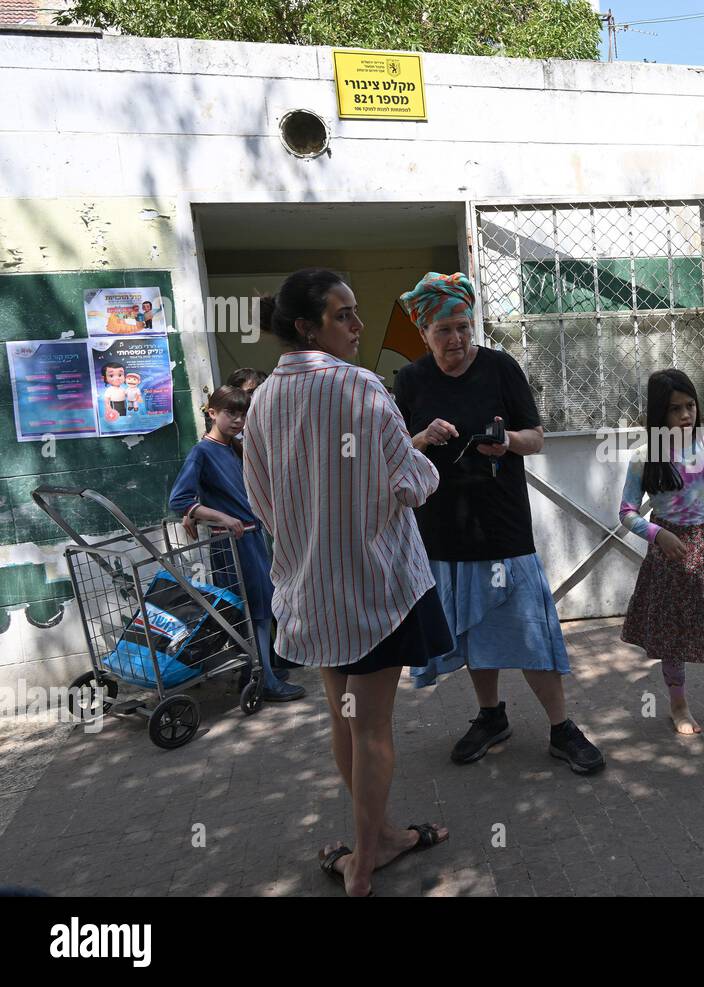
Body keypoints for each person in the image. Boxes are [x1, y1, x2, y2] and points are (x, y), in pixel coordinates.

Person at [243, 268, 452, 896]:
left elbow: (261, 500)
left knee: (346, 719)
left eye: (356, 312)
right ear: (307, 327)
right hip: (374, 589)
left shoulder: (262, 400)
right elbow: (411, 483)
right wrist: (420, 465)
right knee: (372, 730)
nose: (359, 326)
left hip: (312, 594)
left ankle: (379, 835)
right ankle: (365, 863)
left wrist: (310, 533)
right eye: (344, 315)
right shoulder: (359, 387)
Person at [394, 272, 605, 775]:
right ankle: (491, 717)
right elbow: (394, 453)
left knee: (532, 630)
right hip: (443, 529)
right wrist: (423, 437)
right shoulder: (411, 381)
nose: (457, 339)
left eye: (464, 326)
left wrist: (506, 441)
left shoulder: (501, 368)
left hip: (504, 527)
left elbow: (536, 437)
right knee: (472, 631)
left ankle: (561, 727)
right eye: (444, 329)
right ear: (424, 333)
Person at [619, 369, 704, 752]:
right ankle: (678, 705)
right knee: (673, 637)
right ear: (659, 414)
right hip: (668, 554)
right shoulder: (645, 457)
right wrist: (657, 534)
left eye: (690, 406)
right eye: (675, 409)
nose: (685, 415)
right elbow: (626, 512)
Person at [167, 385, 304, 702]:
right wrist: (218, 516)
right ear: (212, 413)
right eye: (231, 413)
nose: (238, 420)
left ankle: (258, 669)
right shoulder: (202, 452)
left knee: (261, 605)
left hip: (253, 536)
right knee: (254, 609)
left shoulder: (234, 447)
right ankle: (265, 680)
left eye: (243, 414)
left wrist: (202, 513)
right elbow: (180, 499)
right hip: (233, 542)